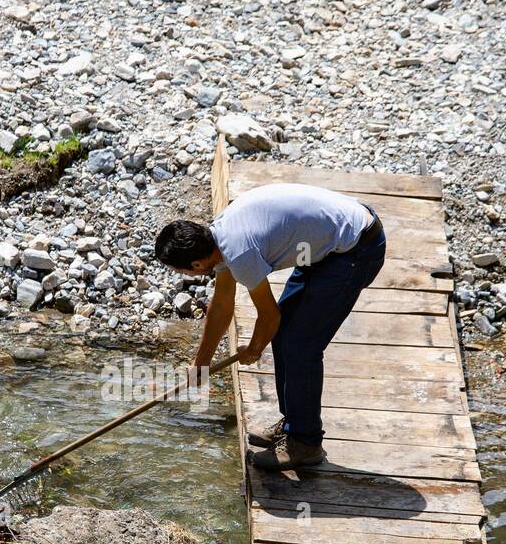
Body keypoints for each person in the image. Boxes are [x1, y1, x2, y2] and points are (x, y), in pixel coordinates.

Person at [154, 182, 386, 470]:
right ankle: (294, 425)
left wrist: (254, 348)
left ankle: (306, 442)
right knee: (286, 333)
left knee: (301, 345)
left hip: (356, 250)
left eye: (181, 270)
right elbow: (222, 306)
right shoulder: (218, 237)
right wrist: (200, 365)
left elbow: (269, 316)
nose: (184, 274)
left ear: (198, 264)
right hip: (326, 247)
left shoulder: (238, 253)